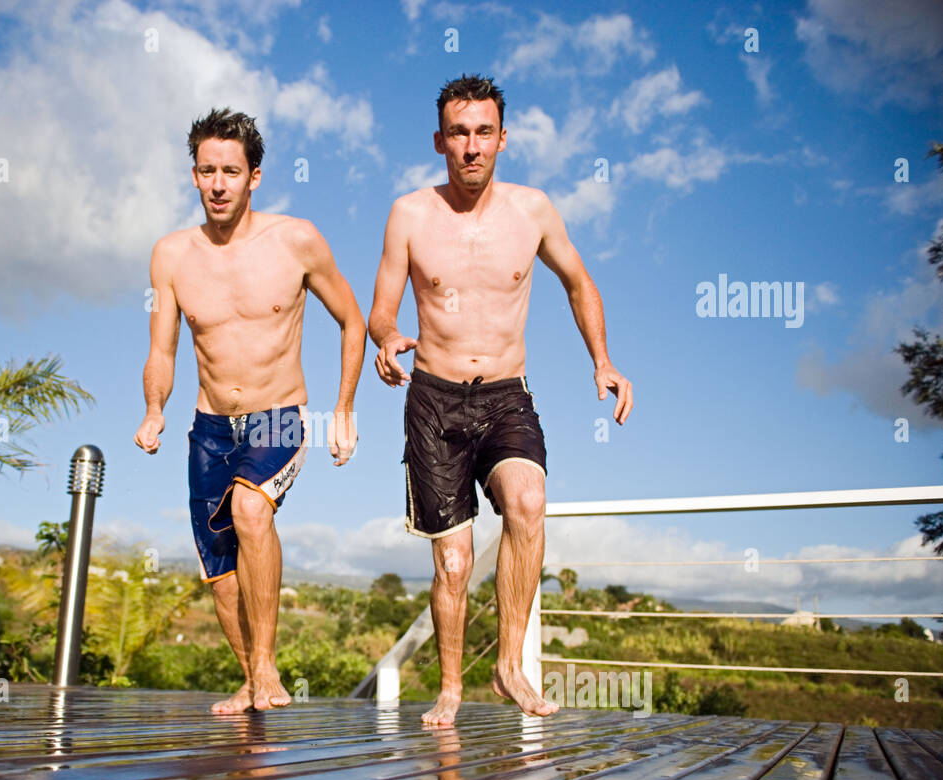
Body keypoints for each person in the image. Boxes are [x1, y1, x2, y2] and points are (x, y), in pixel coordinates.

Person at [368, 75, 633, 727]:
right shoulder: (410, 214)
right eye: (458, 132)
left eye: (483, 131)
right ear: (440, 140)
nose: (471, 146)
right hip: (434, 401)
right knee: (454, 562)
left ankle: (509, 663)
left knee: (528, 502)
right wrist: (387, 339)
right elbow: (381, 309)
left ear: (502, 138)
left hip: (506, 396)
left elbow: (579, 281)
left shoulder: (533, 211)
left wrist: (602, 360)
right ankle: (452, 688)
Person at [135, 108, 365, 713]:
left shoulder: (297, 240)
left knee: (250, 512)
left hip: (278, 416)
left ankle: (265, 669)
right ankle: (250, 676)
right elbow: (162, 348)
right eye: (207, 171)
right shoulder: (171, 255)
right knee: (220, 571)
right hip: (209, 427)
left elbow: (352, 319)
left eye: (230, 172)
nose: (217, 184)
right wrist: (154, 409)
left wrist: (344, 408)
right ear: (193, 176)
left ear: (254, 177)